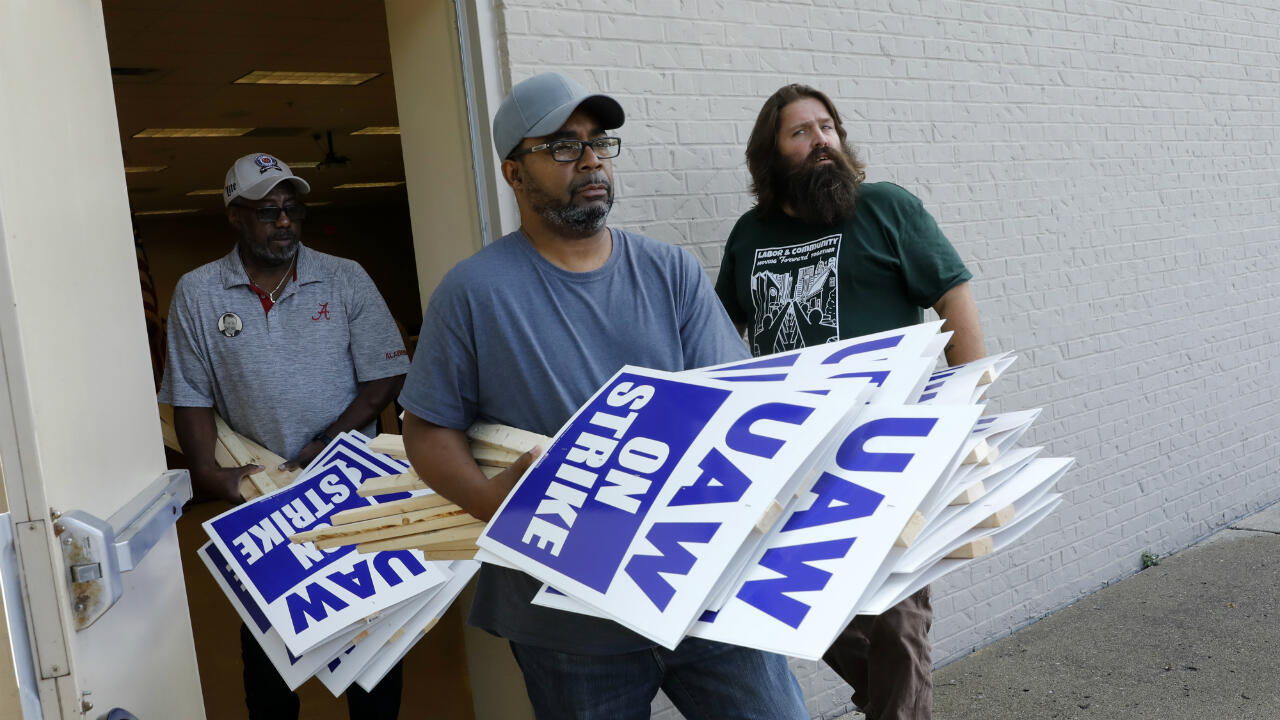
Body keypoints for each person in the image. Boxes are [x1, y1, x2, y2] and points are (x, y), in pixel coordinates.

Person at [398, 72, 810, 720]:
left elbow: (732, 400)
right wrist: (486, 501)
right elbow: (426, 429)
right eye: (563, 146)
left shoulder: (669, 271)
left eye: (599, 143)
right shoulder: (473, 293)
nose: (590, 159)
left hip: (695, 586)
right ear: (513, 173)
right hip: (568, 622)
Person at [715, 84, 988, 720]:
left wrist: (968, 411)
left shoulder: (887, 208)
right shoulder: (749, 235)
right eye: (800, 133)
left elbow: (954, 300)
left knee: (896, 618)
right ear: (772, 154)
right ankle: (892, 701)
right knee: (805, 603)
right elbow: (720, 335)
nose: (820, 143)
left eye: (828, 128)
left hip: (888, 448)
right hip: (792, 454)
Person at [158, 152, 410, 719]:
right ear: (235, 217)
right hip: (262, 494)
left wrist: (329, 443)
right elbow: (190, 396)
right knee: (271, 643)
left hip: (349, 483)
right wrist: (207, 471)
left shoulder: (344, 277)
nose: (284, 222)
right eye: (268, 211)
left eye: (292, 209)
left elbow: (385, 373)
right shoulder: (198, 294)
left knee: (371, 637)